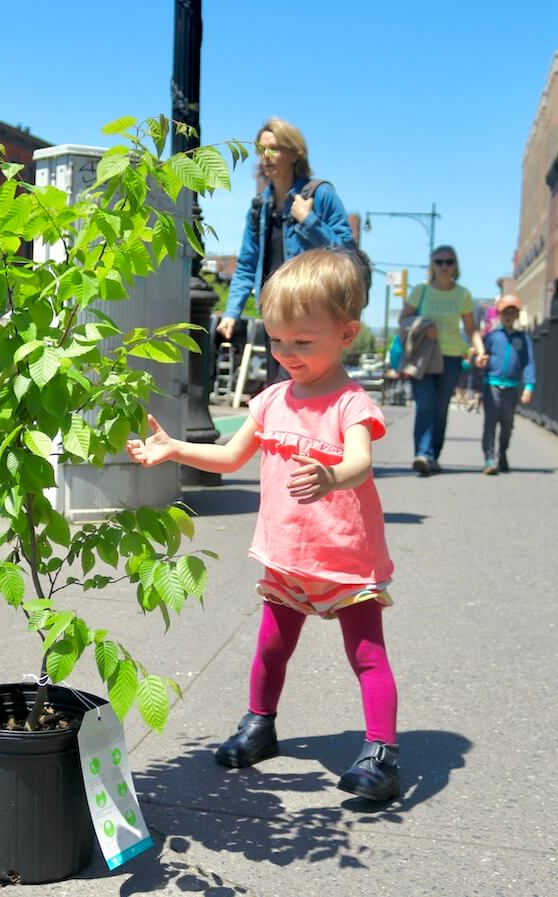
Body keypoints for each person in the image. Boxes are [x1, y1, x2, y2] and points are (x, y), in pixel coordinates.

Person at [128, 249, 400, 802]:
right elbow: (230, 458)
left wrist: (331, 477)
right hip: (285, 555)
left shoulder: (350, 402)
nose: (286, 354)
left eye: (303, 342)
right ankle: (260, 724)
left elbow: (359, 462)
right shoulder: (272, 400)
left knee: (367, 653)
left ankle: (381, 751)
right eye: (277, 341)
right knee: (271, 648)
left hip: (344, 556)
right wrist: (174, 448)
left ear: (347, 333)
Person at [216, 117, 356, 387]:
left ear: (295, 152)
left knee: (308, 389)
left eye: (275, 148)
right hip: (275, 314)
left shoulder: (321, 194)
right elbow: (246, 264)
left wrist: (309, 221)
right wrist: (231, 312)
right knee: (280, 391)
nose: (266, 156)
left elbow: (346, 254)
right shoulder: (260, 206)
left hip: (312, 311)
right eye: (261, 150)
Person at [399, 246, 486, 476]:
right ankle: (423, 454)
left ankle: (433, 455)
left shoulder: (463, 294)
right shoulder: (421, 291)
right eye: (439, 262)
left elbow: (471, 328)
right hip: (425, 357)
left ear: (455, 265)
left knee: (440, 409)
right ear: (432, 266)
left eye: (449, 262)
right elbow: (403, 318)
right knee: (425, 405)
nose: (444, 266)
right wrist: (425, 325)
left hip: (452, 357)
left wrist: (480, 349)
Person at [479, 295, 535, 474]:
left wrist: (529, 386)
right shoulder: (492, 336)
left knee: (507, 424)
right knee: (490, 423)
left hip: (512, 386)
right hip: (492, 384)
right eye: (505, 312)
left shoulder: (523, 339)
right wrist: (478, 359)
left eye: (512, 312)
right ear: (499, 314)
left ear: (517, 315)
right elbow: (480, 356)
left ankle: (502, 452)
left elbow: (529, 362)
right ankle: (489, 458)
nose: (508, 316)